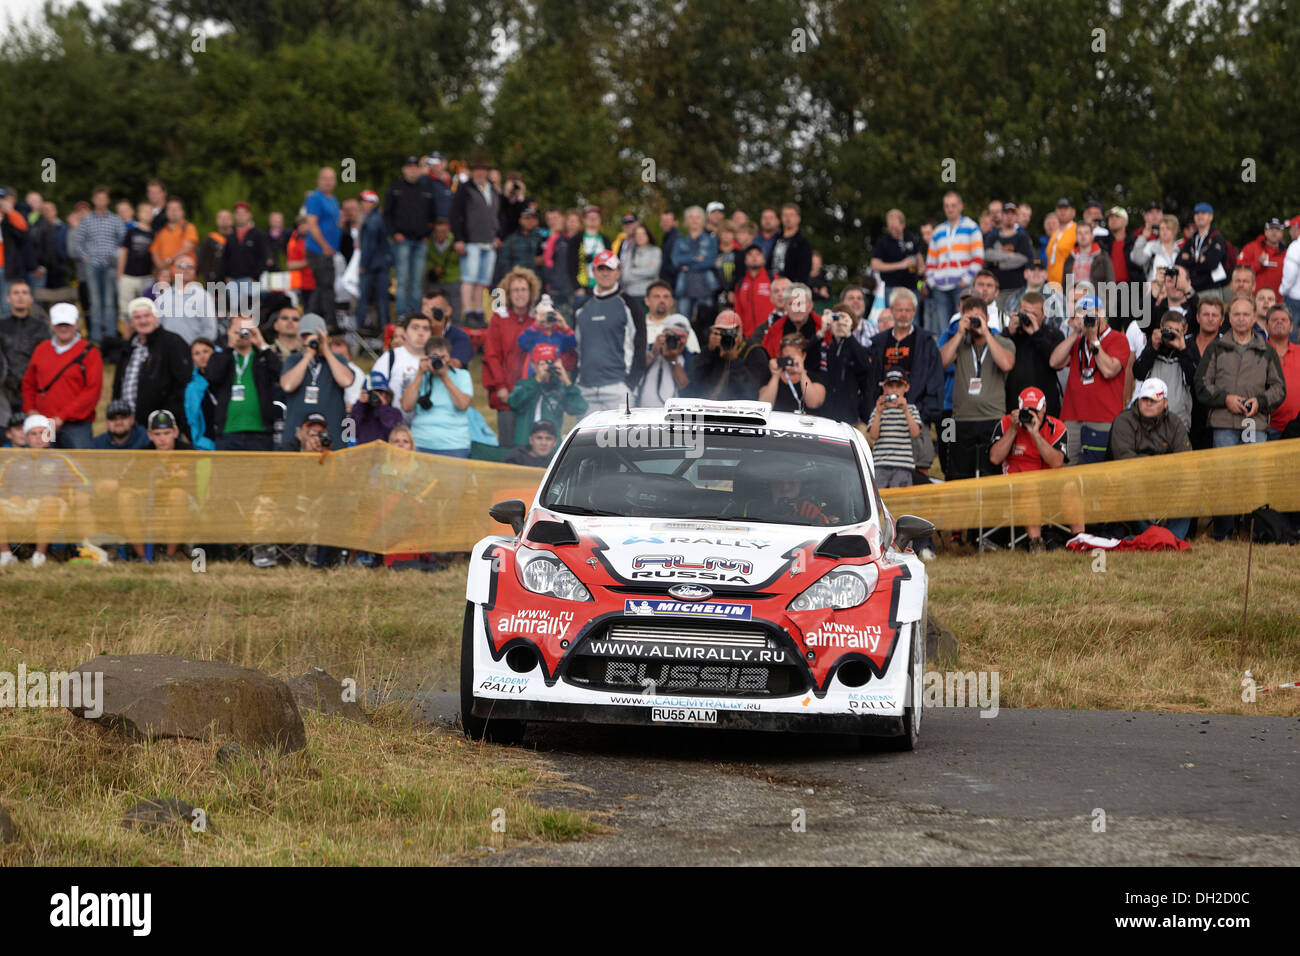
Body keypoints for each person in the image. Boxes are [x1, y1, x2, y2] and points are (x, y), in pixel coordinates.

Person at [0, 413, 95, 568]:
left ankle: (39, 556)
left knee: (48, 502)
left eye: (43, 433)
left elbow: (84, 482)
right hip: (20, 507)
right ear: (26, 437)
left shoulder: (61, 459)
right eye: (33, 434)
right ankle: (5, 555)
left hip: (52, 506)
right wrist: (10, 498)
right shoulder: (13, 461)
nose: (38, 438)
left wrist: (79, 494)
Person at [939, 294, 1017, 482]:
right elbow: (941, 362)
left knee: (992, 476)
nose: (975, 322)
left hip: (993, 417)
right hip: (961, 419)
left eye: (979, 317)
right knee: (959, 477)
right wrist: (959, 333)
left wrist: (986, 333)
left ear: (987, 318)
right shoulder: (959, 343)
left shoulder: (1003, 342)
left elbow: (1007, 364)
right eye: (970, 318)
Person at [1107, 378, 1193, 540]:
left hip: (1166, 478)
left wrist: (1166, 473)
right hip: (1131, 478)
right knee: (1131, 482)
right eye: (1145, 399)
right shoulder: (1123, 421)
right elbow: (1125, 460)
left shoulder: (1175, 423)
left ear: (1165, 403)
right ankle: (1148, 535)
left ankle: (1173, 537)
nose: (1148, 403)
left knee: (1192, 482)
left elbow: (1185, 459)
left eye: (1154, 400)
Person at [1050, 294, 1129, 465]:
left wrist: (1093, 339)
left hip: (1103, 418)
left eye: (1090, 313)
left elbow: (1109, 370)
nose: (1086, 317)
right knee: (1067, 467)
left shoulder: (1118, 339)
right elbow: (1055, 362)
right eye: (1081, 313)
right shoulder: (1078, 341)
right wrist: (1075, 333)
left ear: (1101, 314)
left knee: (1098, 469)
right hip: (1072, 417)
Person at [988, 386, 1069, 551]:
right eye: (1027, 411)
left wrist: (1035, 433)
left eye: (1035, 411)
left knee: (1071, 487)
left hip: (1049, 484)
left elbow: (1056, 462)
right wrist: (1013, 429)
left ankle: (1079, 540)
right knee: (1029, 487)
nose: (1031, 415)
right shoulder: (1006, 423)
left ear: (1044, 408)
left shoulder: (1057, 427)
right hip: (1014, 486)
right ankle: (1036, 544)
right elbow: (995, 458)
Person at [20, 302, 102, 449]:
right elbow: (29, 383)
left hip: (76, 425)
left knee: (78, 461)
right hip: (44, 424)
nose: (63, 328)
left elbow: (92, 390)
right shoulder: (41, 349)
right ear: (52, 325)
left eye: (67, 324)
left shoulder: (89, 352)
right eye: (59, 324)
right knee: (44, 461)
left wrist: (62, 416)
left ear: (76, 325)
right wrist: (30, 410)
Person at [572, 250, 647, 412]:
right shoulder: (581, 307)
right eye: (601, 269)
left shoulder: (630, 305)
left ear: (618, 272)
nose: (605, 273)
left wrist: (630, 384)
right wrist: (575, 380)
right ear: (593, 272)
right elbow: (575, 347)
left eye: (610, 269)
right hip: (585, 388)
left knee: (623, 430)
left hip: (618, 388)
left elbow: (640, 347)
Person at [863, 288, 945, 425]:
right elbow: (870, 382)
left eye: (908, 310)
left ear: (914, 311)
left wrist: (924, 414)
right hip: (882, 417)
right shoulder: (878, 342)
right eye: (899, 310)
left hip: (916, 418)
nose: (903, 314)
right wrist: (873, 411)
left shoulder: (926, 342)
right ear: (891, 310)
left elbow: (935, 380)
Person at [203, 313, 282, 450]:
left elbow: (280, 373)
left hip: (260, 433)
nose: (242, 334)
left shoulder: (263, 358)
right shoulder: (221, 357)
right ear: (229, 332)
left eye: (247, 330)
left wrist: (262, 344)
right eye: (237, 330)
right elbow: (213, 377)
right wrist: (229, 347)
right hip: (228, 432)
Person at [278, 312, 354, 449]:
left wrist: (326, 350)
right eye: (305, 336)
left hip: (332, 438)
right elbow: (288, 385)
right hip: (296, 440)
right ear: (299, 338)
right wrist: (308, 355)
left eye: (315, 336)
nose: (309, 339)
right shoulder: (293, 360)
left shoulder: (337, 359)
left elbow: (346, 381)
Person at [483, 266, 539, 445]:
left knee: (534, 445)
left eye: (523, 289)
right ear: (508, 293)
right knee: (508, 445)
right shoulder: (499, 318)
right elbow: (492, 355)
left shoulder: (538, 318)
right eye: (515, 290)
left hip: (532, 393)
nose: (520, 294)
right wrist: (500, 386)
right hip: (507, 394)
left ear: (531, 292)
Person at [451, 158, 504, 327]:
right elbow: (455, 214)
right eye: (477, 169)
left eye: (483, 169)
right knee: (469, 278)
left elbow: (498, 215)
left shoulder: (493, 190)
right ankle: (468, 311)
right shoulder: (465, 189)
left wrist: (498, 235)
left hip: (489, 241)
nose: (480, 173)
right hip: (471, 241)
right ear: (473, 172)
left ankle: (479, 311)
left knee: (482, 281)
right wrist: (459, 238)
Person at [403, 334, 473, 456]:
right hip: (421, 442)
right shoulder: (420, 377)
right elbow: (406, 406)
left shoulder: (462, 375)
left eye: (443, 357)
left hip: (454, 444)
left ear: (449, 357)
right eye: (435, 357)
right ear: (426, 358)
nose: (439, 361)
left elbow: (463, 405)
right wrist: (420, 374)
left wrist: (444, 376)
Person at [924, 191, 984, 333]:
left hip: (961, 286)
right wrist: (932, 281)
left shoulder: (971, 227)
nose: (950, 209)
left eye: (953, 205)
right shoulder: (938, 231)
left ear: (960, 206)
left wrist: (966, 279)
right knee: (943, 330)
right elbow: (931, 261)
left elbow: (978, 257)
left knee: (963, 327)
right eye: (946, 206)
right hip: (940, 288)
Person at [384, 156, 435, 319]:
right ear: (404, 170)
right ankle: (401, 314)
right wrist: (394, 233)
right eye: (409, 167)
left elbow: (433, 214)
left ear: (420, 170)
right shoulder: (395, 189)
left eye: (415, 167)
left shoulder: (427, 189)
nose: (413, 170)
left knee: (417, 281)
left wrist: (427, 234)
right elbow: (387, 214)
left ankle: (416, 315)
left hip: (421, 241)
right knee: (402, 279)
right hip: (402, 241)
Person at [507, 346, 587, 447]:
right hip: (525, 445)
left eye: (549, 363)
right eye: (542, 363)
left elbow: (580, 408)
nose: (546, 367)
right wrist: (537, 380)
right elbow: (514, 403)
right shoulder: (524, 385)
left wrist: (566, 380)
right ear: (533, 365)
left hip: (551, 446)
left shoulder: (559, 389)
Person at [683, 310, 771, 402]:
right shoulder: (714, 350)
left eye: (728, 332)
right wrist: (708, 351)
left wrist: (734, 360)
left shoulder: (754, 353)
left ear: (739, 331)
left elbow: (751, 391)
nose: (724, 337)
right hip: (708, 403)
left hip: (738, 406)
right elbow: (691, 377)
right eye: (719, 333)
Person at [76, 186, 125, 345]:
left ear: (108, 200)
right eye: (98, 198)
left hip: (110, 265)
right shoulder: (86, 220)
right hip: (92, 265)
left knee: (110, 302)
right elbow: (79, 241)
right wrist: (85, 257)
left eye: (104, 198)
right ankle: (96, 337)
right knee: (95, 301)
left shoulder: (115, 219)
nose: (101, 201)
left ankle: (110, 336)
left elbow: (123, 240)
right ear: (93, 200)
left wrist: (116, 256)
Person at [1003, 292, 1065, 419]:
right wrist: (1009, 333)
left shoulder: (1054, 334)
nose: (1029, 318)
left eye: (1034, 315)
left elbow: (1055, 362)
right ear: (1018, 311)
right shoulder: (1011, 334)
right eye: (1025, 313)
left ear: (1044, 314)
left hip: (1046, 406)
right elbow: (999, 359)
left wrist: (1036, 334)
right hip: (1015, 404)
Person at [1132, 311, 1196, 432]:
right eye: (1168, 329)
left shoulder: (1189, 348)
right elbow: (1138, 373)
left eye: (1176, 331)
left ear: (1185, 330)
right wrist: (1152, 347)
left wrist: (1182, 350)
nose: (1172, 334)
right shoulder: (1154, 346)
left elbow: (1193, 380)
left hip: (1178, 422)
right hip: (1150, 421)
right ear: (1161, 328)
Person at [866, 369, 922, 488]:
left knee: (900, 498)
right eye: (890, 386)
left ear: (906, 388)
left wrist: (905, 410)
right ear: (884, 388)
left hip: (903, 465)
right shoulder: (878, 410)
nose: (894, 390)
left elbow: (916, 433)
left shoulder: (911, 409)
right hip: (880, 464)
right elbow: (873, 436)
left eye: (899, 386)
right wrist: (878, 413)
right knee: (878, 497)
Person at [819, 305, 871, 425]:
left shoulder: (857, 348)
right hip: (826, 412)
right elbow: (808, 362)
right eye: (836, 319)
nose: (839, 324)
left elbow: (866, 367)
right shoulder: (826, 347)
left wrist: (848, 335)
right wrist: (822, 331)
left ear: (851, 324)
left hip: (850, 415)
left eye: (844, 320)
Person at [0, 279, 48, 411]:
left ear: (31, 298)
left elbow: (47, 360)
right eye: (16, 293)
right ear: (8, 298)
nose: (20, 296)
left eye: (24, 292)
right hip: (5, 390)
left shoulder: (41, 327)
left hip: (35, 389)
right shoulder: (1, 327)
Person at [303, 167, 341, 321]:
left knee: (323, 287)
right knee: (325, 287)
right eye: (324, 178)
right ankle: (329, 321)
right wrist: (325, 246)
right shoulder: (315, 198)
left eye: (331, 179)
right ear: (319, 180)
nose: (328, 182)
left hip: (329, 251)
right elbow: (312, 224)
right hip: (318, 250)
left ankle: (312, 320)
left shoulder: (333, 199)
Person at [156, 255, 217, 345]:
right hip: (167, 350)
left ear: (194, 271)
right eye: (182, 266)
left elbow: (210, 329)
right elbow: (157, 326)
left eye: (191, 267)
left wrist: (198, 349)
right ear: (173, 270)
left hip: (192, 349)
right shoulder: (164, 296)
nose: (186, 269)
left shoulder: (203, 296)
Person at [672, 206, 719, 322]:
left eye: (697, 217)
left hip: (705, 288)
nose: (694, 220)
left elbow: (710, 262)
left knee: (705, 325)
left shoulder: (711, 240)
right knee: (682, 324)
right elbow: (676, 261)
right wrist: (695, 258)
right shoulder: (679, 242)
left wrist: (688, 265)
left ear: (703, 221)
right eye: (691, 217)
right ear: (686, 222)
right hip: (684, 289)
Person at [354, 189, 392, 332]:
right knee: (383, 298)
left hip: (371, 265)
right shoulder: (380, 218)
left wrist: (363, 264)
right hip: (383, 263)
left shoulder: (371, 220)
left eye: (365, 201)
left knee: (363, 297)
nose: (362, 204)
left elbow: (368, 245)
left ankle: (359, 327)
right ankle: (385, 328)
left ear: (373, 203)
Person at [984, 201, 1033, 309]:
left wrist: (1000, 263)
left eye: (1012, 214)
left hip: (1017, 288)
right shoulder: (993, 236)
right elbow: (987, 255)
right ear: (1002, 215)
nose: (1009, 216)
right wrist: (1010, 256)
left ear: (1016, 217)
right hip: (997, 289)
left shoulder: (1022, 237)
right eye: (1006, 213)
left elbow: (1023, 259)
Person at [759, 334, 826, 412]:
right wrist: (775, 376)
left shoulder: (814, 377)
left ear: (803, 356)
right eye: (786, 357)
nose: (790, 362)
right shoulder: (771, 377)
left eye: (793, 358)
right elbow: (763, 406)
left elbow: (814, 404)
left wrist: (802, 374)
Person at [639, 313, 693, 407]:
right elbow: (635, 373)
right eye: (672, 336)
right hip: (645, 411)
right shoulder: (650, 350)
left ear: (687, 338)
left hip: (674, 413)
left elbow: (688, 391)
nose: (676, 340)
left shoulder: (690, 358)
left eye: (681, 337)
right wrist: (652, 354)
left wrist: (673, 361)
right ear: (663, 334)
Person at [1176, 202, 1229, 295]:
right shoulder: (1192, 239)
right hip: (1191, 290)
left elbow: (1211, 264)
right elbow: (1179, 261)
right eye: (1197, 213)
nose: (1199, 216)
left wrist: (1190, 260)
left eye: (1203, 213)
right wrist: (1199, 260)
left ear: (1211, 217)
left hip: (1210, 290)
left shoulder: (1216, 238)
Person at [118, 201, 156, 327]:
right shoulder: (131, 232)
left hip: (147, 277)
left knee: (145, 309)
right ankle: (127, 337)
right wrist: (120, 274)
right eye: (144, 211)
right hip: (129, 276)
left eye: (149, 212)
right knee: (126, 312)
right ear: (138, 214)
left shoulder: (154, 234)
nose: (146, 214)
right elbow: (123, 252)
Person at [871, 209, 925, 295]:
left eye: (895, 227)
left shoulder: (909, 236)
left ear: (903, 224)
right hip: (892, 288)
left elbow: (918, 254)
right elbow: (874, 265)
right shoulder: (883, 241)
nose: (893, 230)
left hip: (913, 287)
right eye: (890, 228)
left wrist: (921, 268)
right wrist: (901, 265)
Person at [348, 371, 403, 445]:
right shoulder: (359, 411)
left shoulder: (395, 413)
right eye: (372, 392)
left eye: (380, 392)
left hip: (386, 451)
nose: (376, 395)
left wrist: (384, 408)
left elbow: (393, 431)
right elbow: (349, 432)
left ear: (386, 393)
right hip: (364, 451)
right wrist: (360, 404)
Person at [765, 203, 813, 285]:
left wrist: (796, 288)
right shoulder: (776, 239)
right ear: (781, 218)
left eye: (791, 215)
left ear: (798, 219)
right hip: (772, 284)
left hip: (791, 286)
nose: (788, 218)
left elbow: (803, 271)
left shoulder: (803, 243)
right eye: (785, 215)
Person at [1237, 218, 1287, 295]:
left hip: (1279, 299)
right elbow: (1238, 271)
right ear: (1265, 231)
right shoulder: (1251, 248)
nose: (1274, 232)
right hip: (1255, 298)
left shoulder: (1288, 253)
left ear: (1282, 233)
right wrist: (1257, 264)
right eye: (1271, 229)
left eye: (1277, 229)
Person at [733, 243, 773, 338]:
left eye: (758, 254)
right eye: (750, 254)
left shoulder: (774, 279)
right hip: (748, 337)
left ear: (764, 259)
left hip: (770, 334)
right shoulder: (740, 284)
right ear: (745, 261)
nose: (754, 257)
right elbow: (737, 311)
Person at [186, 337, 218, 450]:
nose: (202, 356)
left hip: (230, 440)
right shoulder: (191, 387)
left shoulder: (228, 377)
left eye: (206, 351)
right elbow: (191, 419)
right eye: (197, 353)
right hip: (204, 444)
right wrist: (198, 441)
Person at [1131, 214, 1182, 283]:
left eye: (1168, 228)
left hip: (1175, 288)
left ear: (1174, 231)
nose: (1164, 231)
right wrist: (1143, 237)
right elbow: (1137, 259)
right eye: (1162, 228)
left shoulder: (1179, 250)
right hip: (1154, 287)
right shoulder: (1151, 246)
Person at [620, 223, 661, 300]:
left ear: (648, 235)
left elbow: (652, 272)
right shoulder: (629, 253)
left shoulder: (655, 251)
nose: (640, 237)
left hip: (649, 295)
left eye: (643, 234)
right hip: (631, 294)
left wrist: (632, 271)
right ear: (634, 237)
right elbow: (625, 276)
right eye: (637, 234)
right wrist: (646, 271)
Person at [1045, 198, 1078, 288]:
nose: (1062, 211)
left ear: (1073, 212)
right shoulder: (1055, 232)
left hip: (1068, 286)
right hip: (1051, 286)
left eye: (1065, 208)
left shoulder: (1077, 230)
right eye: (1060, 208)